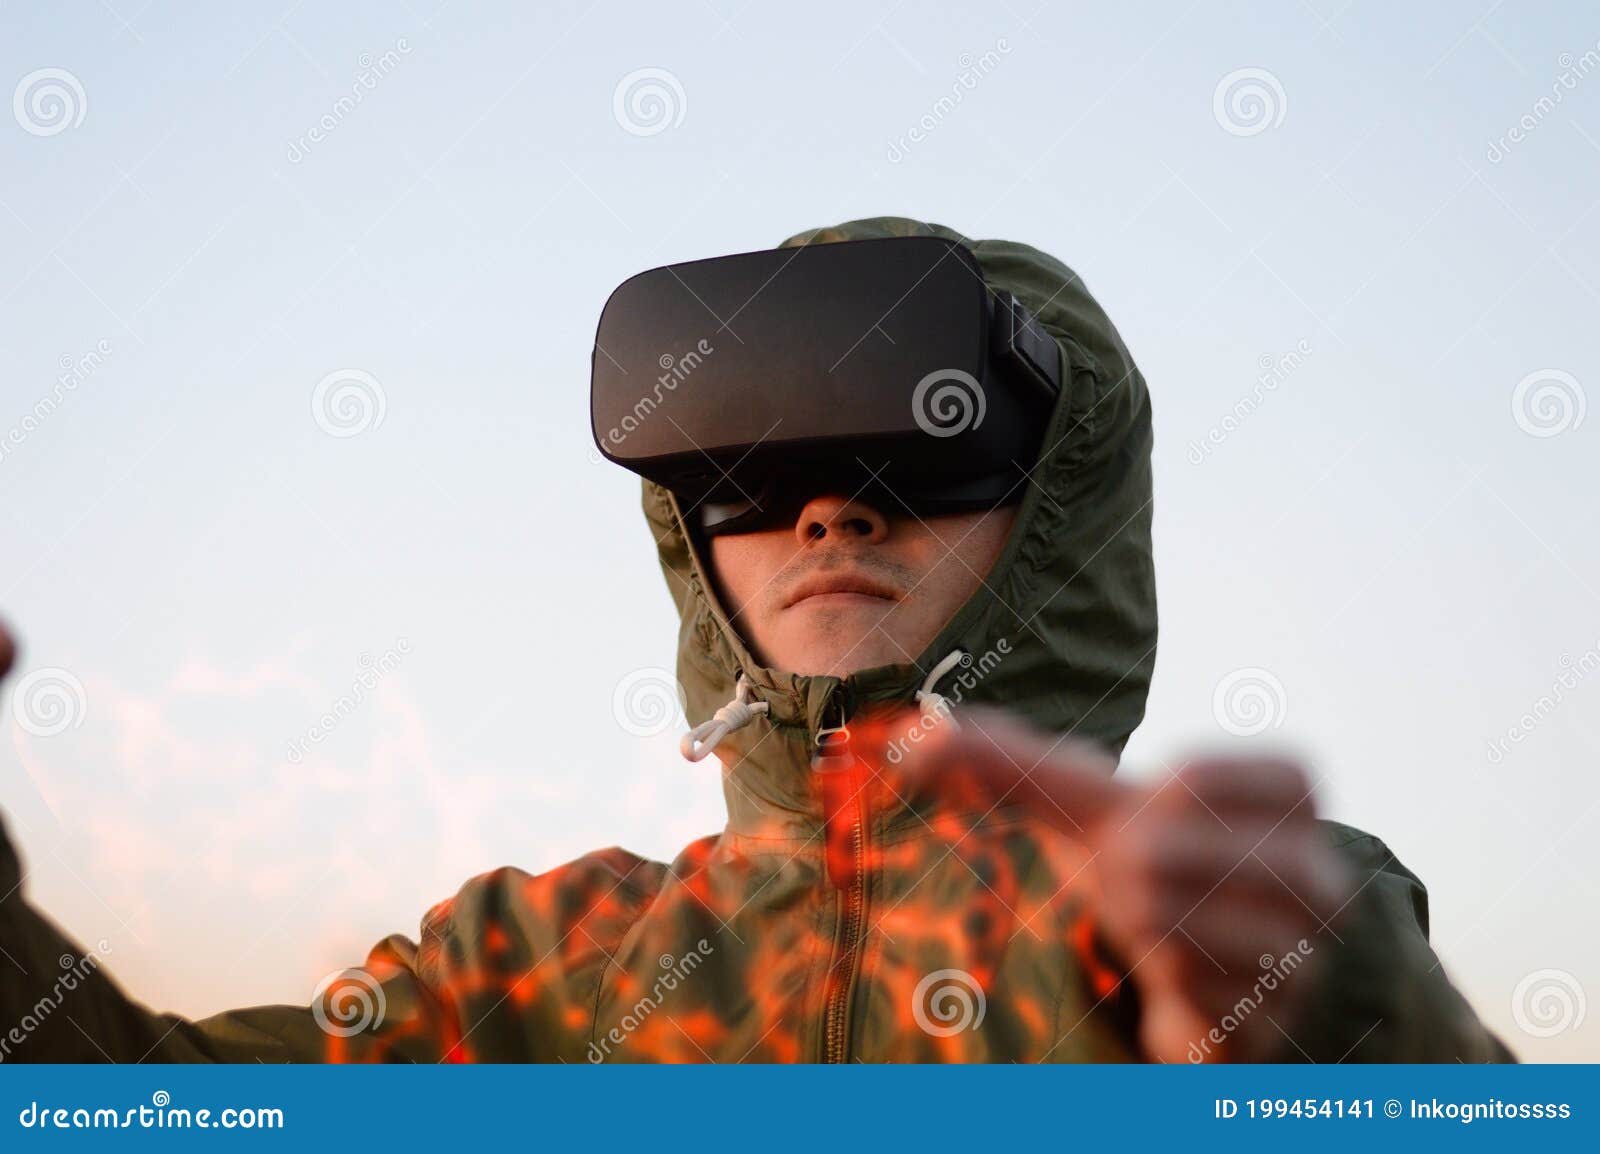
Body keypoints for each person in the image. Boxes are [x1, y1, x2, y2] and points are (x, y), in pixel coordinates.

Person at [0, 216, 1509, 1063]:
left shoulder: (1239, 916)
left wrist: (1339, 1032)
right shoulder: (540, 967)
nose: (830, 518)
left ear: (1059, 502)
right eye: (753, 476)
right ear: (687, 535)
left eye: (926, 455)